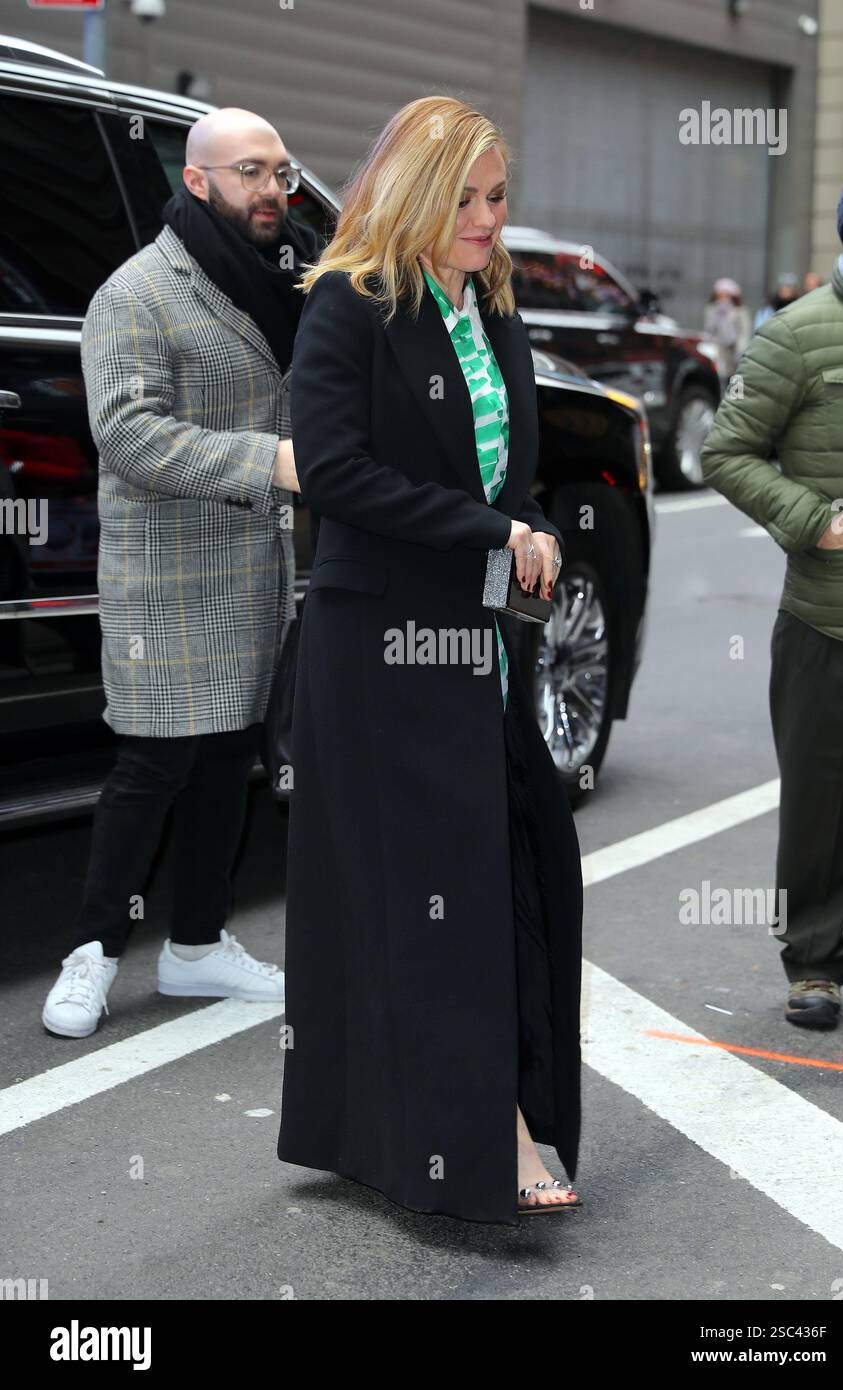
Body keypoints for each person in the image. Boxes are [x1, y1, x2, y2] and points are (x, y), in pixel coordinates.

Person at [277, 95, 584, 1223]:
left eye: (499, 198)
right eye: (464, 197)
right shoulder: (350, 306)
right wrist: (494, 532)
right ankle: (483, 1135)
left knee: (499, 881)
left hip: (478, 647)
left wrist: (524, 528)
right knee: (422, 901)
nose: (487, 219)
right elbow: (334, 470)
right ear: (413, 192)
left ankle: (452, 1121)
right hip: (379, 654)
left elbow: (498, 475)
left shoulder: (492, 311)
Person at [42, 109, 314, 1039]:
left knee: (227, 758)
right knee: (152, 762)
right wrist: (269, 463)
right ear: (197, 182)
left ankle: (198, 946)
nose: (272, 189)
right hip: (166, 572)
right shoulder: (137, 291)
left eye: (280, 172)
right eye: (250, 172)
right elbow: (126, 435)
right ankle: (91, 953)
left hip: (253, 567)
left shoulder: (283, 277)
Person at [701, 156, 843, 1031]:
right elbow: (725, 453)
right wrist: (812, 519)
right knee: (825, 809)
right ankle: (814, 963)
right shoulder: (794, 335)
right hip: (826, 621)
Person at [704, 277, 751, 385]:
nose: (723, 298)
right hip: (719, 348)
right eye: (720, 295)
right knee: (721, 374)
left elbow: (744, 331)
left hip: (735, 348)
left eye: (726, 295)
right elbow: (709, 329)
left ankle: (736, 397)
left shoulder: (739, 311)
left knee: (736, 376)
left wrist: (741, 349)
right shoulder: (712, 310)